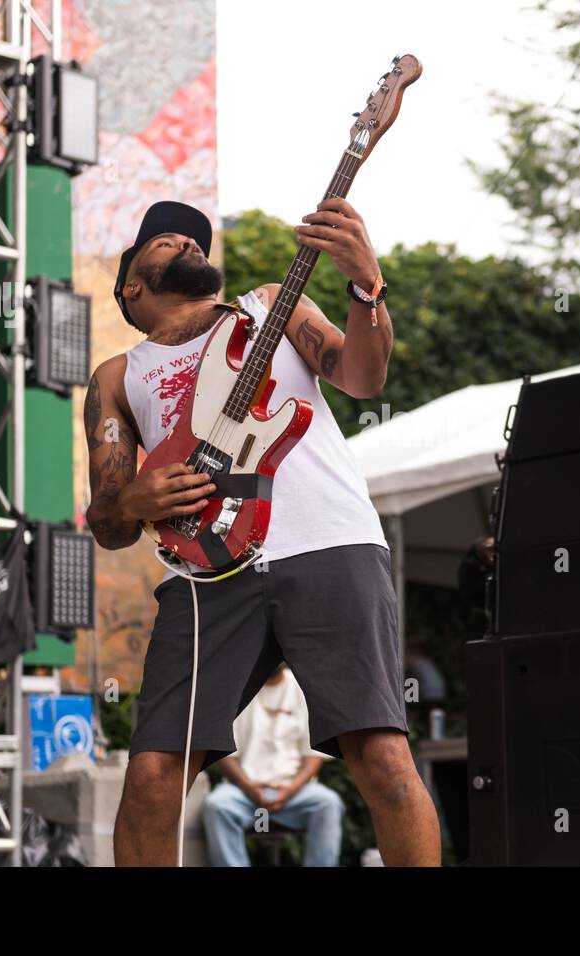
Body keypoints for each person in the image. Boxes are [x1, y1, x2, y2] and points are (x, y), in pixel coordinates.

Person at [85, 199, 440, 866]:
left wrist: (367, 286)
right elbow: (105, 523)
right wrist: (133, 497)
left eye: (195, 241)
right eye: (166, 241)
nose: (188, 244)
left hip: (330, 544)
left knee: (383, 756)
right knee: (153, 775)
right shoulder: (117, 378)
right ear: (132, 283)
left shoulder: (271, 306)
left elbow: (362, 376)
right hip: (204, 576)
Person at [202, 663, 344, 866]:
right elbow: (224, 755)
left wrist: (289, 790)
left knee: (328, 803)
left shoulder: (304, 688)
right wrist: (249, 788)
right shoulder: (236, 687)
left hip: (294, 792)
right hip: (243, 792)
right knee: (217, 805)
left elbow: (313, 756)